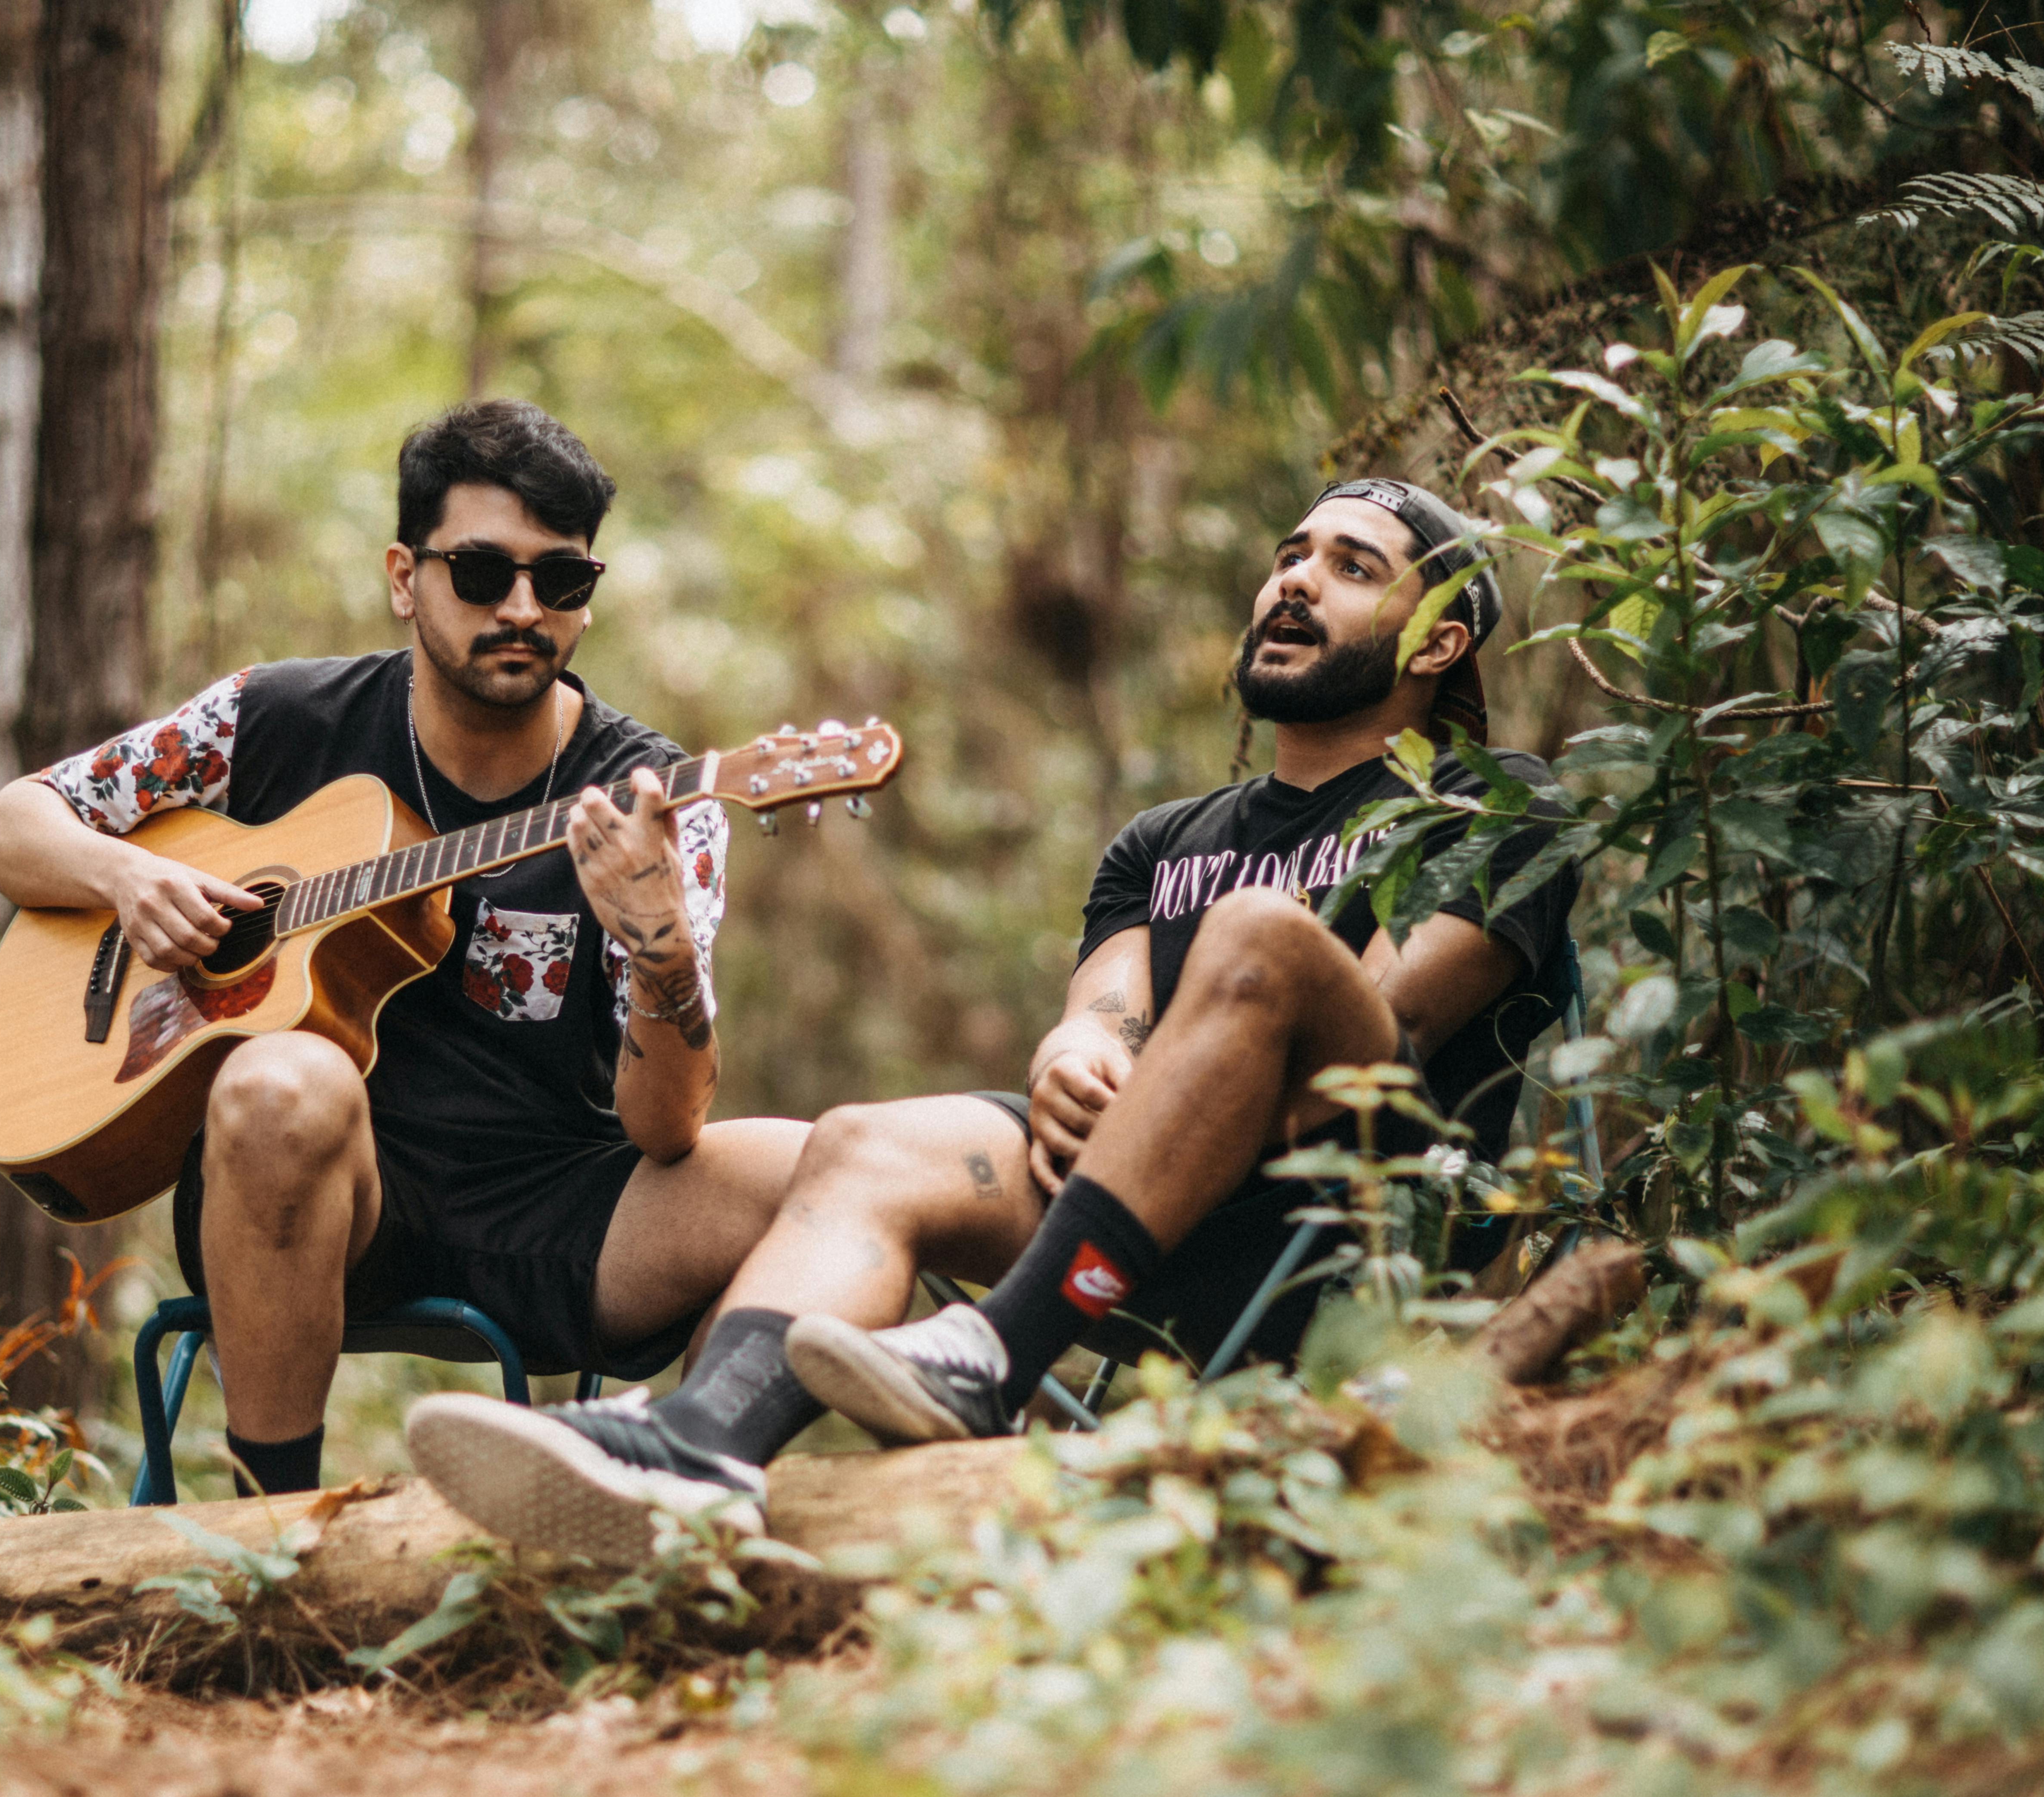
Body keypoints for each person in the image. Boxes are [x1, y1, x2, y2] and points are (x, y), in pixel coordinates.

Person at [406, 477, 1580, 1560]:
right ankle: (696, 1450)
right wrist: (1078, 1060)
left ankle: (998, 1349)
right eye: (1290, 557)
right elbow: (1102, 1019)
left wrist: (1204, 1021)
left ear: (1441, 641)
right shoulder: (1167, 840)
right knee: (865, 1140)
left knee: (1261, 935)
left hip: (1348, 1228)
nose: (1295, 582)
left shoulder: (1487, 806)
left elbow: (1388, 1022)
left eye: (1352, 567)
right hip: (1153, 1237)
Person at [0, 400, 807, 1497]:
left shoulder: (653, 796)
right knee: (282, 1081)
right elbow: (3, 825)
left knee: (830, 1170)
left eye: (561, 581)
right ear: (405, 576)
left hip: (562, 1198)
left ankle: (689, 1500)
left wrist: (658, 945)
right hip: (313, 1195)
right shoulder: (269, 721)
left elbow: (667, 1126)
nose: (521, 608)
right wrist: (128, 877)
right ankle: (280, 1540)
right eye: (482, 572)